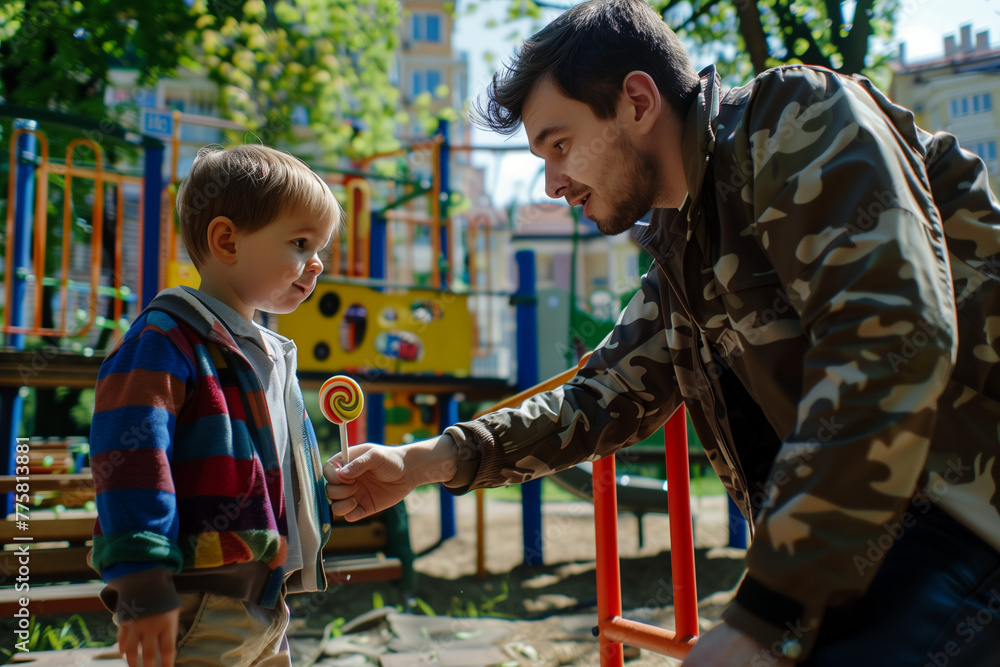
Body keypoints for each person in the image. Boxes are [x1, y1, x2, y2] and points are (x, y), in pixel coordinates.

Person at [325, 0, 1000, 664]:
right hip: (880, 539)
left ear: (638, 102)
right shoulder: (686, 248)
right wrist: (425, 461)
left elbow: (887, 347)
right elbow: (601, 395)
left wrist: (762, 614)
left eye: (560, 146)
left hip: (967, 511)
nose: (553, 183)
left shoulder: (795, 119)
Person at [89, 144, 339, 667]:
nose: (317, 262)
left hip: (266, 599)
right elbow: (131, 462)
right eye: (300, 243)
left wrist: (322, 485)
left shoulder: (267, 352)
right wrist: (142, 579)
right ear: (227, 240)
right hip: (197, 600)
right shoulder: (166, 341)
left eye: (320, 247)